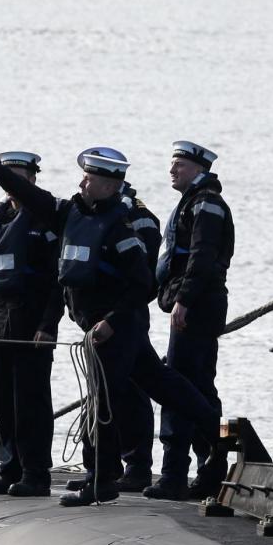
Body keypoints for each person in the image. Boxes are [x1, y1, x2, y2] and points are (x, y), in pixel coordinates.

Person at [0, 131, 221, 507]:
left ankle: (101, 480)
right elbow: (27, 193)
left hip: (116, 328)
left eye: (90, 179)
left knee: (103, 402)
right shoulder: (69, 214)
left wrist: (111, 321)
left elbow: (142, 284)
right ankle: (216, 432)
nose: (82, 183)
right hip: (96, 327)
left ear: (110, 186)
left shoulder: (119, 227)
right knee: (161, 384)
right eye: (82, 177)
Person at [0, 150, 63, 497]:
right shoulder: (2, 216)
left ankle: (35, 473)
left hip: (31, 324)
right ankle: (10, 470)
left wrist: (48, 324)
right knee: (4, 403)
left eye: (19, 179)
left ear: (32, 180)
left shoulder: (46, 216)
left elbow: (58, 279)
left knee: (30, 403)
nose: (11, 185)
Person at [145, 140, 236, 500]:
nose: (172, 170)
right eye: (172, 164)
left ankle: (175, 474)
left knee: (179, 387)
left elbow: (202, 256)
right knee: (197, 387)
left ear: (199, 170)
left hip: (196, 306)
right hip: (198, 304)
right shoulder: (194, 202)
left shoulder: (206, 204)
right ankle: (209, 470)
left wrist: (183, 300)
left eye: (179, 165)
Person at [67, 175, 161, 494]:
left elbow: (144, 276)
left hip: (124, 318)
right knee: (99, 395)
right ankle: (98, 468)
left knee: (130, 393)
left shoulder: (138, 216)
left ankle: (136, 466)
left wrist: (118, 314)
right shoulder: (90, 214)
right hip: (95, 320)